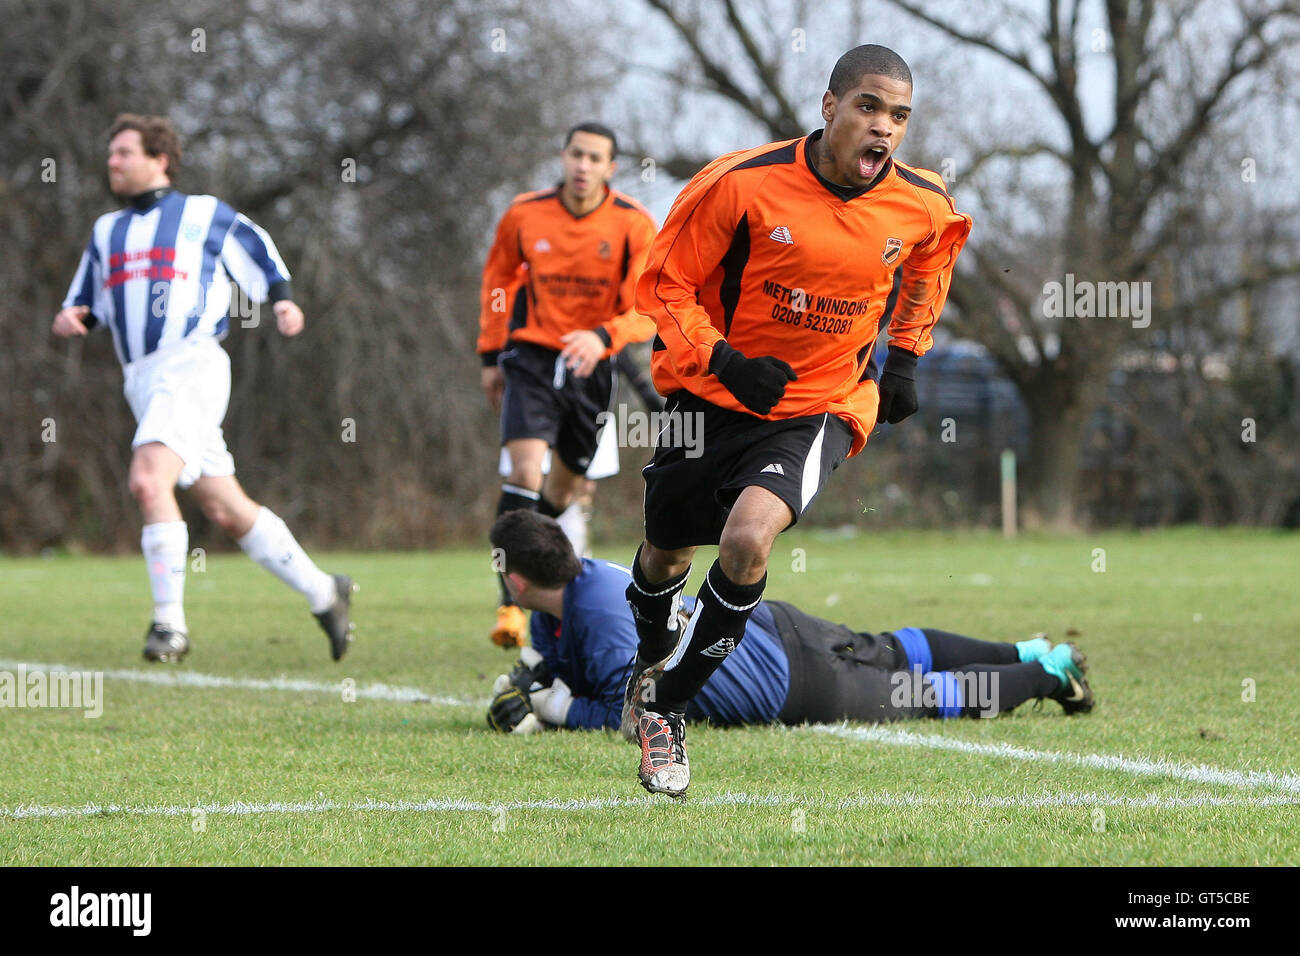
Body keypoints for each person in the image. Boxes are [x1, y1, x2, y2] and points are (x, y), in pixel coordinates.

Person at [621, 44, 975, 795]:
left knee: (748, 539)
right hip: (713, 398)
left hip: (823, 404)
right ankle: (651, 655)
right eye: (869, 108)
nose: (885, 128)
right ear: (829, 107)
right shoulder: (739, 184)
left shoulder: (921, 201)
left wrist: (906, 357)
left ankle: (668, 709)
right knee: (664, 551)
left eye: (900, 116)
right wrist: (724, 360)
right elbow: (664, 287)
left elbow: (932, 258)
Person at [52, 113, 354, 664]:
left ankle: (170, 626)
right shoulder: (106, 230)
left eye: (123, 152)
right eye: (111, 153)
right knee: (227, 508)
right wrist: (74, 318)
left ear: (159, 158)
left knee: (148, 480)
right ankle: (324, 592)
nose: (112, 162)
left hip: (191, 365)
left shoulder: (202, 214)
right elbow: (87, 300)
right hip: (142, 380)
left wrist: (281, 299)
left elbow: (258, 249)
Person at [485, 512, 1093, 740]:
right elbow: (561, 666)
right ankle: (1025, 647)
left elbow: (640, 707)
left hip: (792, 684)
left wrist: (560, 714)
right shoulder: (577, 589)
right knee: (894, 649)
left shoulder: (594, 614)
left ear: (515, 582)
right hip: (775, 627)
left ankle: (1049, 672)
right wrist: (524, 687)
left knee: (928, 696)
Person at [477, 122, 658, 648]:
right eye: (576, 154)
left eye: (595, 157)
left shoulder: (632, 225)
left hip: (592, 368)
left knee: (561, 492)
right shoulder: (524, 213)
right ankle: (509, 605)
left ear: (611, 168)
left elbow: (648, 309)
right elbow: (496, 284)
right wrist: (491, 354)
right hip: (531, 360)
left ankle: (539, 583)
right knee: (523, 475)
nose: (583, 165)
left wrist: (604, 336)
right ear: (563, 157)